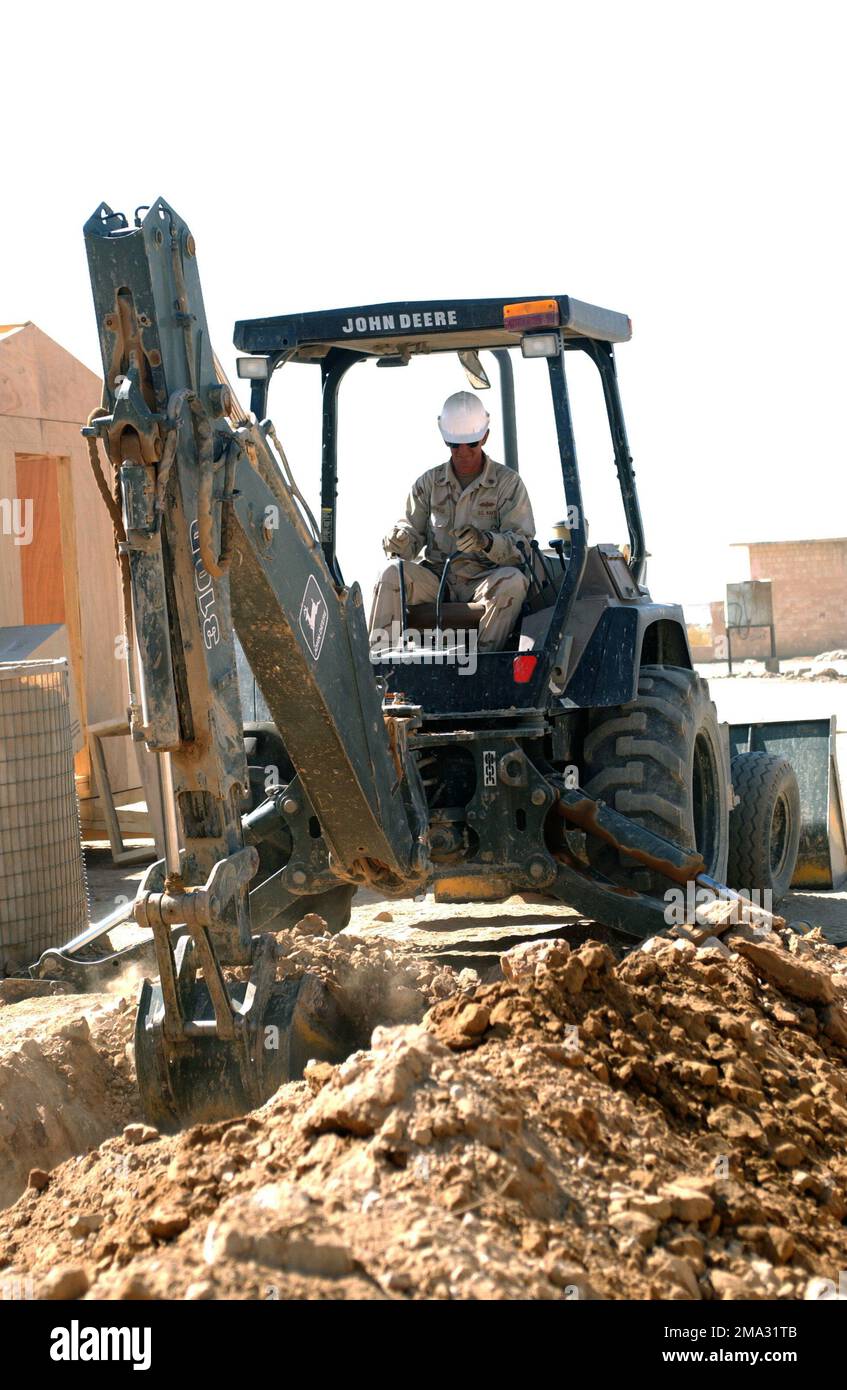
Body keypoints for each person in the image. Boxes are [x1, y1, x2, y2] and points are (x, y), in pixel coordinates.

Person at [369, 392, 535, 653]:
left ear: (484, 437)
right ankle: (379, 668)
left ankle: (482, 667)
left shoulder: (508, 484)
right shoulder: (428, 484)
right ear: (445, 439)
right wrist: (399, 539)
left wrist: (486, 542)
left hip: (485, 580)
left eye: (471, 444)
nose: (463, 453)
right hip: (438, 581)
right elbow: (410, 534)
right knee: (392, 573)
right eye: (454, 445)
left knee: (513, 581)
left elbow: (522, 548)